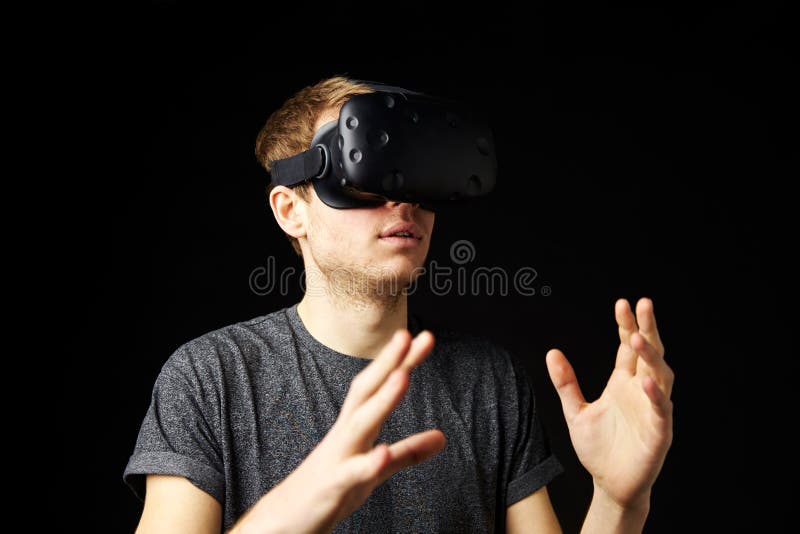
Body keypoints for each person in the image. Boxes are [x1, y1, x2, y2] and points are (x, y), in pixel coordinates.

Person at [123, 76, 674, 533]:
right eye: (361, 171)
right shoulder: (208, 379)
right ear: (291, 210)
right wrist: (300, 504)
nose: (402, 198)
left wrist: (620, 501)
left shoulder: (489, 380)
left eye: (415, 174)